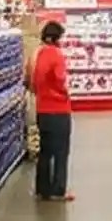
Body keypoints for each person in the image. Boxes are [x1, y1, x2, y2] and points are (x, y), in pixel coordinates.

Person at [30, 21, 74, 202]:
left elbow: (31, 82)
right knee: (61, 152)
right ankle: (58, 190)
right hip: (58, 109)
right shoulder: (56, 55)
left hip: (42, 109)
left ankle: (42, 189)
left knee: (45, 151)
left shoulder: (37, 54)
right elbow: (60, 81)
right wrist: (65, 92)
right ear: (57, 38)